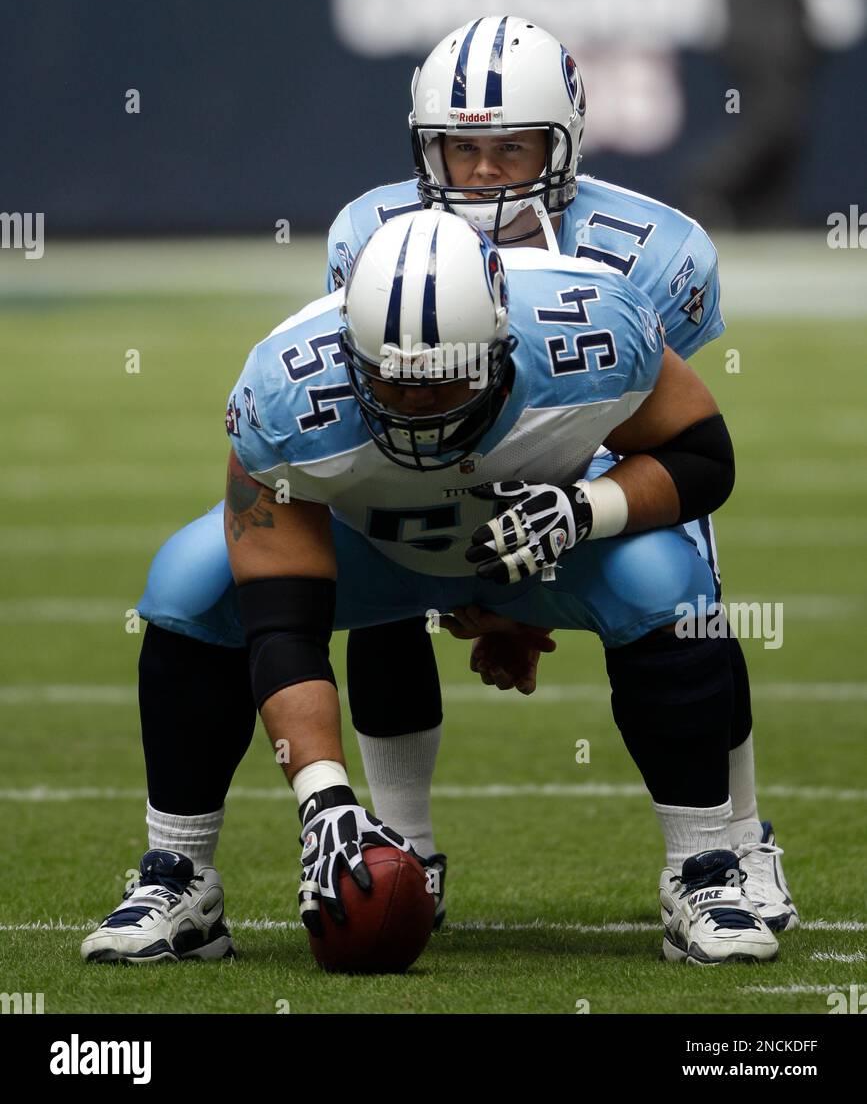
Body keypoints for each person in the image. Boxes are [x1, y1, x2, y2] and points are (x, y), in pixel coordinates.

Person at [84, 208, 775, 966]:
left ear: (502, 344)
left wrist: (585, 509)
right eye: (390, 379)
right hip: (376, 554)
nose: (413, 404)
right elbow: (285, 625)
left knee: (664, 577)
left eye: (442, 382)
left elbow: (704, 456)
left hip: (539, 546)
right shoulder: (284, 395)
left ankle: (704, 869)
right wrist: (324, 800)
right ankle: (180, 877)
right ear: (350, 352)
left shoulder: (594, 328)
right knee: (192, 584)